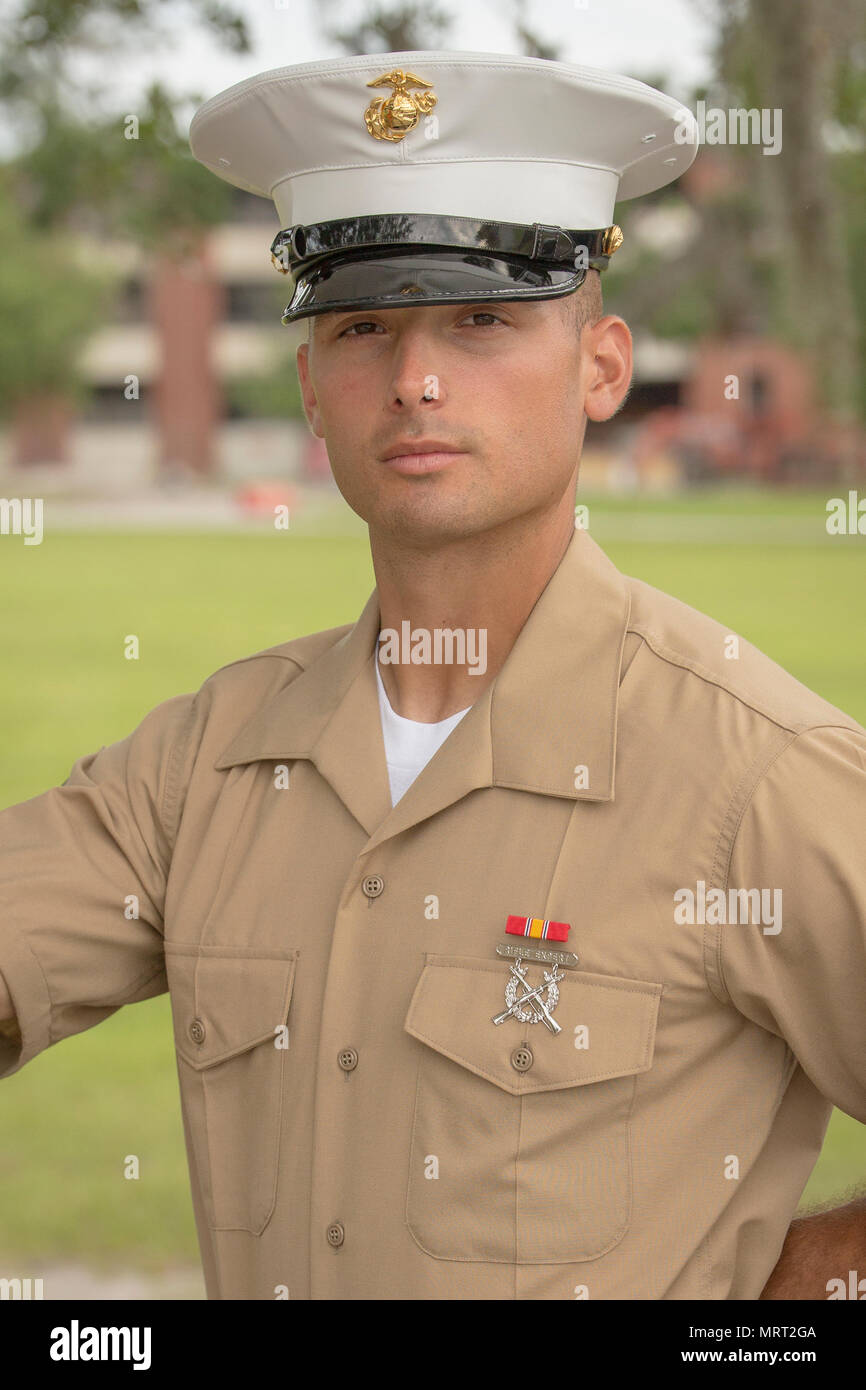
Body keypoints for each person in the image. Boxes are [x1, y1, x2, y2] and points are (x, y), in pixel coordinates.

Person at [1, 50, 864, 1301]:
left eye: (481, 319)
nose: (414, 380)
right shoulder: (209, 761)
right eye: (361, 326)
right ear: (309, 386)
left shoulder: (754, 774)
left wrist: (786, 1297)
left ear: (601, 367)